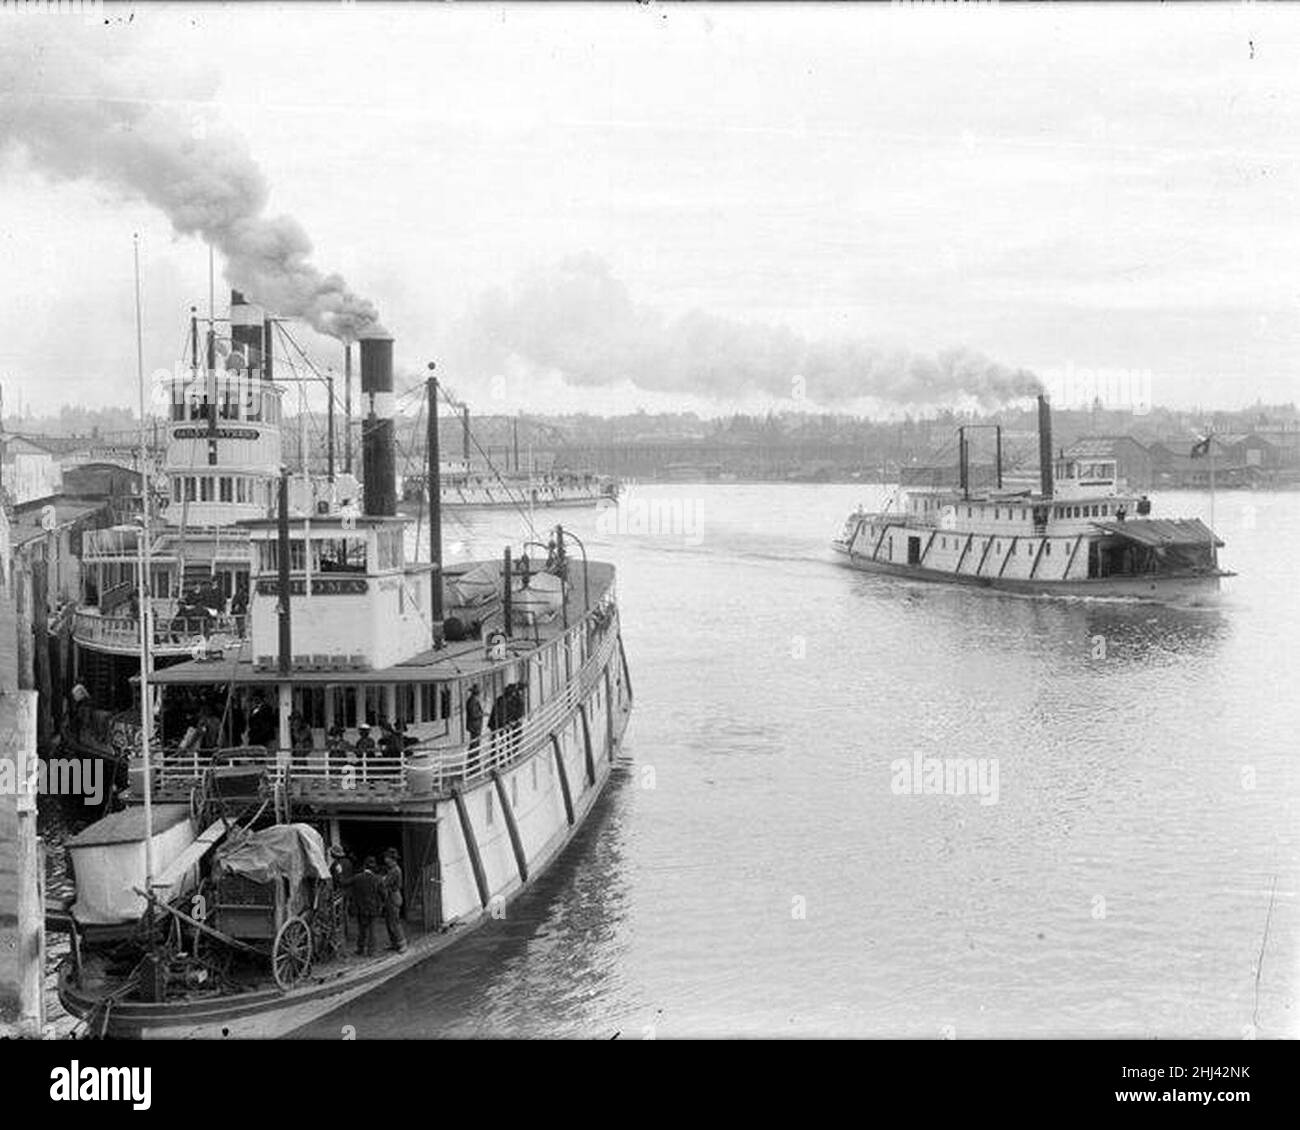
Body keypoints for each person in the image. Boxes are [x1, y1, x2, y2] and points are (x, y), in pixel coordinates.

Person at [351, 857, 384, 956]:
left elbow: (350, 888)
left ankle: (360, 949)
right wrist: (381, 902)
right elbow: (383, 894)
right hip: (373, 908)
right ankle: (372, 951)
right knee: (372, 930)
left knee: (362, 930)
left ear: (364, 866)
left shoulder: (357, 878)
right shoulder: (377, 879)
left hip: (361, 908)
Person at [380, 848, 407, 953]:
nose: (385, 860)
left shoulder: (395, 870)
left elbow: (385, 883)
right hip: (390, 896)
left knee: (394, 922)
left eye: (387, 858)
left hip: (393, 897)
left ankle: (402, 943)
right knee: (389, 922)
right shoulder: (392, 870)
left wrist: (382, 880)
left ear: (392, 859)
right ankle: (394, 943)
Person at [329, 845, 355, 943]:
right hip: (348, 890)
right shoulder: (348, 862)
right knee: (345, 912)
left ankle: (343, 936)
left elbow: (338, 878)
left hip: (341, 891)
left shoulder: (337, 865)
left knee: (340, 913)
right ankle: (346, 934)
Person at [465, 686, 484, 763]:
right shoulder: (473, 701)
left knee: (475, 743)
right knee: (474, 744)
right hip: (474, 726)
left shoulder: (473, 701)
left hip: (475, 725)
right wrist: (481, 714)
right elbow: (473, 714)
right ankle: (473, 761)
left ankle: (474, 760)